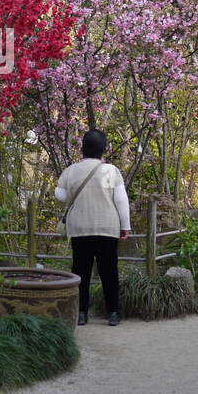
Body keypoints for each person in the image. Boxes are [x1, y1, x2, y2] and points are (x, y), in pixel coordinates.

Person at [55, 129, 130, 327]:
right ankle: (113, 313)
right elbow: (121, 200)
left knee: (81, 271)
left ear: (83, 148)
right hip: (108, 228)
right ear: (103, 149)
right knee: (109, 271)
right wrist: (125, 226)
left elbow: (60, 195)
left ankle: (81, 313)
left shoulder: (71, 170)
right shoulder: (111, 171)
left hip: (80, 228)